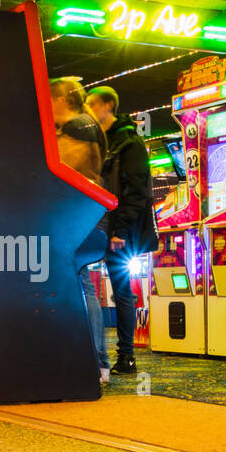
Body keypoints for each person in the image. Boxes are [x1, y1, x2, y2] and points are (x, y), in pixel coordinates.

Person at [86, 85, 157, 376]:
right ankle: (96, 353)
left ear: (107, 105)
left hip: (116, 227)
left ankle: (126, 355)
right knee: (92, 286)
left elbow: (135, 192)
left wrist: (121, 231)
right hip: (96, 222)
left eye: (92, 103)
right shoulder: (100, 141)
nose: (87, 109)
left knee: (121, 291)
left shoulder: (129, 143)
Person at [49, 77, 109, 383]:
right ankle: (97, 361)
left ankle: (95, 361)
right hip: (85, 214)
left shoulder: (77, 128)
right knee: (83, 284)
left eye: (50, 99)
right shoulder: (85, 125)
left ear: (61, 100)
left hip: (77, 215)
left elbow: (61, 169)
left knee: (82, 284)